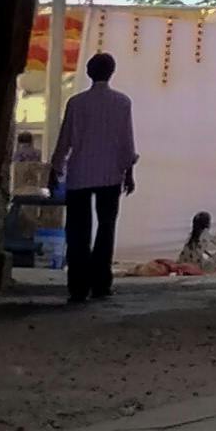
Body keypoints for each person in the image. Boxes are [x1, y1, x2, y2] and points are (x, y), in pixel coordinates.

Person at [49, 50, 135, 306]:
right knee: (106, 229)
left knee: (78, 231)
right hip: (110, 174)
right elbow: (126, 142)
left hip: (80, 173)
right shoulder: (122, 102)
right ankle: (100, 284)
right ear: (112, 72)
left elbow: (65, 139)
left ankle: (77, 287)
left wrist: (55, 168)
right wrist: (129, 172)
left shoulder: (76, 103)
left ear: (88, 72)